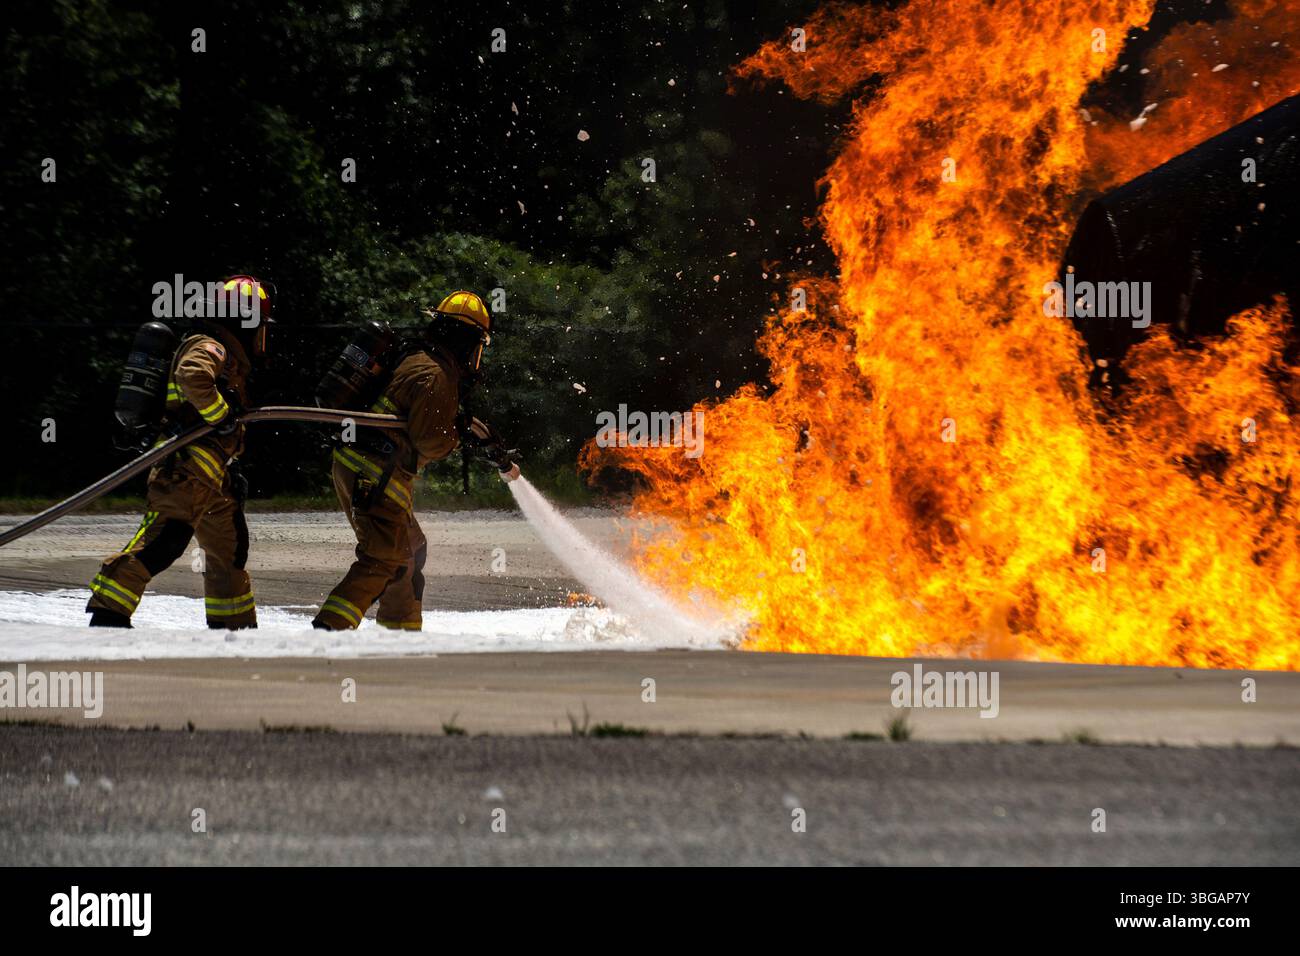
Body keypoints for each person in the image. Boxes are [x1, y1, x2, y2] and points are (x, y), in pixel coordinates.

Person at [313, 290, 514, 631]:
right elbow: (431, 441)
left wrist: (462, 427)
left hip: (365, 467)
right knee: (383, 558)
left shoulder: (417, 356)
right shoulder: (436, 372)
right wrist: (458, 434)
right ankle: (328, 633)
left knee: (409, 551)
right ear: (470, 342)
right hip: (376, 475)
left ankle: (400, 635)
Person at [86, 276, 272, 629]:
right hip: (186, 470)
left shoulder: (227, 352)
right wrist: (223, 417)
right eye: (259, 323)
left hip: (214, 477)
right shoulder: (211, 346)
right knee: (163, 543)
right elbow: (191, 376)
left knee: (229, 552)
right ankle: (108, 613)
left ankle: (234, 629)